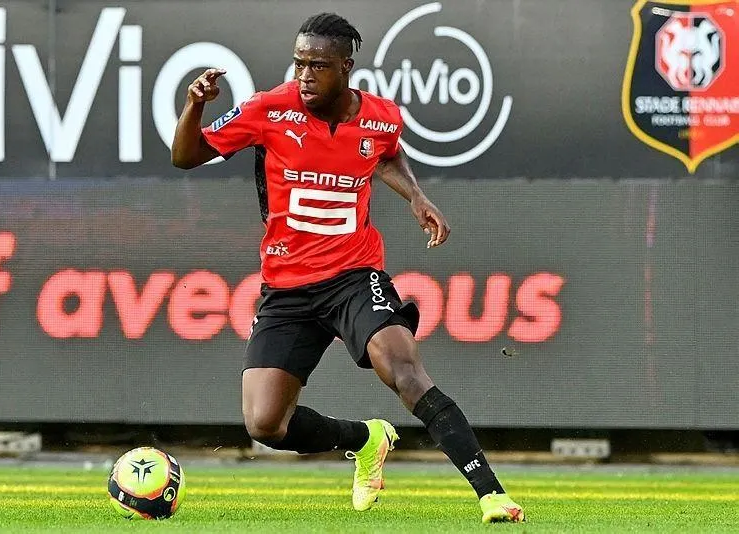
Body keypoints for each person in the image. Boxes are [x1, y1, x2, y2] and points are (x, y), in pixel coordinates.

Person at [171, 12, 524, 524]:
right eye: (298, 63)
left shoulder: (380, 115)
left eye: (317, 65)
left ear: (346, 67)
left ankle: (492, 494)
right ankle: (365, 439)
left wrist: (416, 197)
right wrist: (194, 106)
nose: (304, 76)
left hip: (354, 275)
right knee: (265, 425)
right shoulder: (269, 109)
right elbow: (186, 156)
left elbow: (385, 154)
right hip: (286, 287)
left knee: (403, 370)